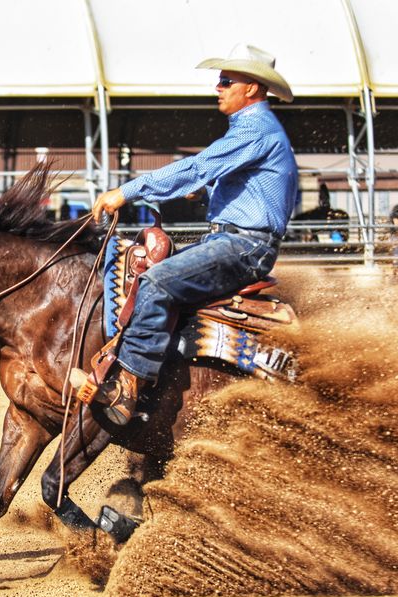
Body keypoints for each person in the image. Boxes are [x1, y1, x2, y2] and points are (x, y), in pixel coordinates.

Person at [91, 43, 297, 426]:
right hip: (235, 241)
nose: (218, 88)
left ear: (251, 87)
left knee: (155, 282)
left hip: (243, 245)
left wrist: (127, 191)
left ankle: (128, 385)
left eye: (226, 81)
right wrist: (205, 192)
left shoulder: (256, 129)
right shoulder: (256, 130)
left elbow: (197, 167)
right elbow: (243, 188)